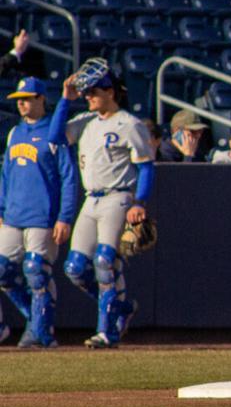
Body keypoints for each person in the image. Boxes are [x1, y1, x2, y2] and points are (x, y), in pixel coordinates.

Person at [61, 60, 152, 349]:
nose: (87, 97)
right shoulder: (85, 122)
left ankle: (106, 331)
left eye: (93, 92)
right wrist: (65, 98)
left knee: (104, 262)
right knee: (75, 268)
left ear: (110, 91)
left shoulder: (129, 124)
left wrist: (140, 202)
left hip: (118, 196)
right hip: (91, 199)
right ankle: (121, 308)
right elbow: (54, 136)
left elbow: (147, 166)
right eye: (86, 92)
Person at [0, 77, 78, 348]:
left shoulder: (55, 134)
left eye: (27, 97)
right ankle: (30, 323)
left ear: (41, 99)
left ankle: (41, 334)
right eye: (18, 99)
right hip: (13, 215)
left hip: (42, 216)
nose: (21, 103)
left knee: (36, 271)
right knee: (2, 271)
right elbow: (5, 175)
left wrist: (64, 217)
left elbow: (68, 178)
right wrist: (1, 208)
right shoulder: (14, 133)